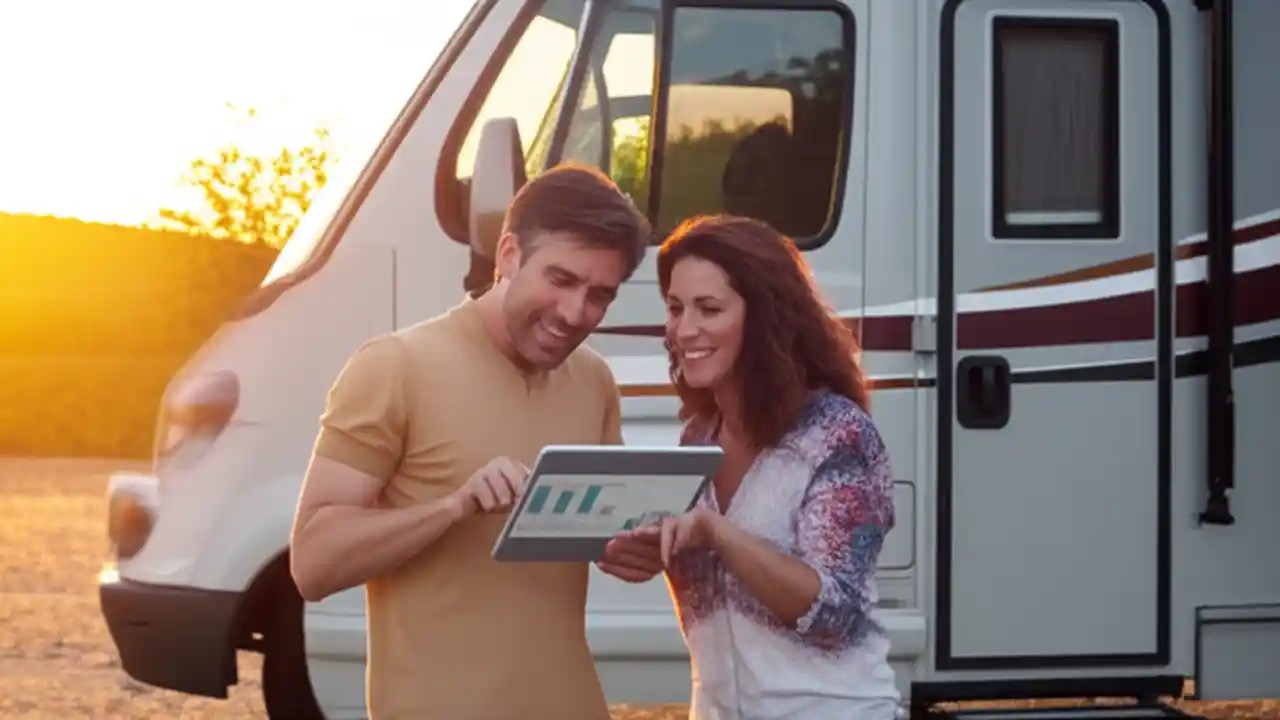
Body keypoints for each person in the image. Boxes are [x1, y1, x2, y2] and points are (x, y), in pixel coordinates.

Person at [288, 163, 652, 720]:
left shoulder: (595, 380)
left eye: (600, 295)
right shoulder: (394, 366)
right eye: (560, 280)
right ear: (508, 254)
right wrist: (453, 507)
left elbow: (603, 535)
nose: (576, 314)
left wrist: (630, 548)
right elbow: (312, 564)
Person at [598, 214, 902, 719]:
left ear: (763, 317)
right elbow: (712, 575)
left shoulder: (835, 435)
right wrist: (648, 553)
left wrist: (717, 534)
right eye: (676, 308)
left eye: (709, 309)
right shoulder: (697, 438)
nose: (684, 329)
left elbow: (833, 613)